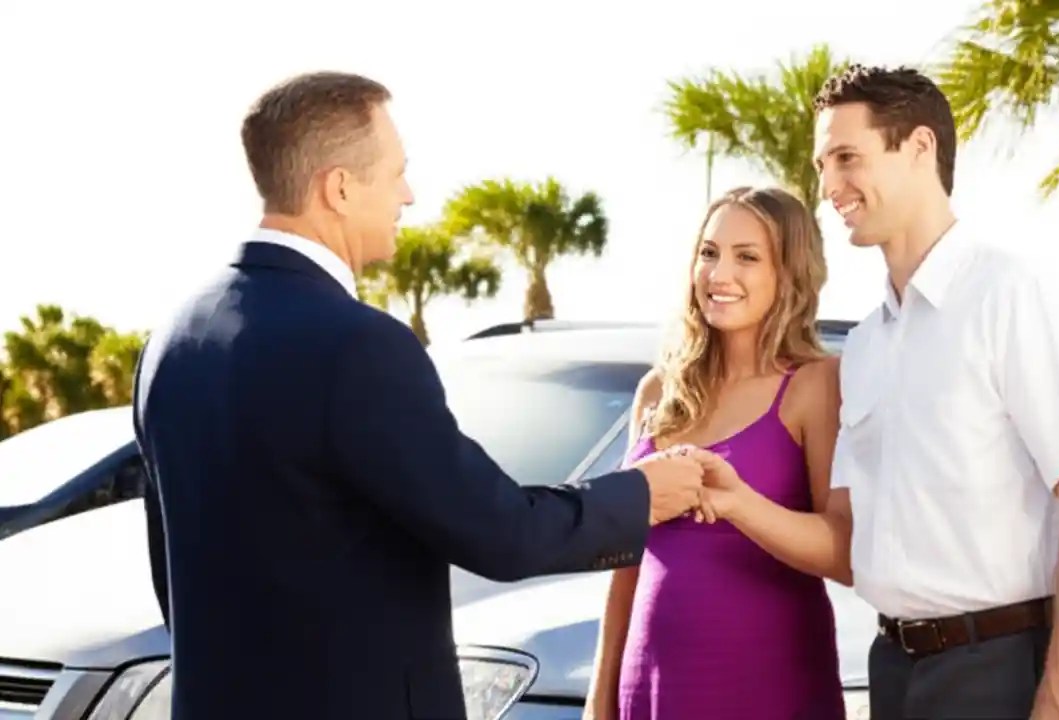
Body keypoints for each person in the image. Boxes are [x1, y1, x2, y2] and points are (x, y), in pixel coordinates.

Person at [131, 71, 707, 720]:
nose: (408, 194)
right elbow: (499, 531)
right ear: (339, 188)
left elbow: (172, 577)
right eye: (396, 173)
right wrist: (642, 493)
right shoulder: (357, 345)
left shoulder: (171, 341)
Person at [698, 64, 1059, 719]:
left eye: (847, 158)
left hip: (1007, 668)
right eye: (821, 165)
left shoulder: (1011, 294)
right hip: (896, 669)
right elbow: (850, 542)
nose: (829, 186)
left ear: (920, 149)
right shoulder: (867, 345)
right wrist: (734, 500)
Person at [584, 186, 847, 720]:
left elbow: (845, 551)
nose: (718, 274)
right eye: (708, 253)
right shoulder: (660, 391)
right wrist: (600, 695)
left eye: (746, 256)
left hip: (766, 681)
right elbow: (627, 562)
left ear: (789, 272)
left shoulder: (816, 385)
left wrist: (737, 503)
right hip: (651, 682)